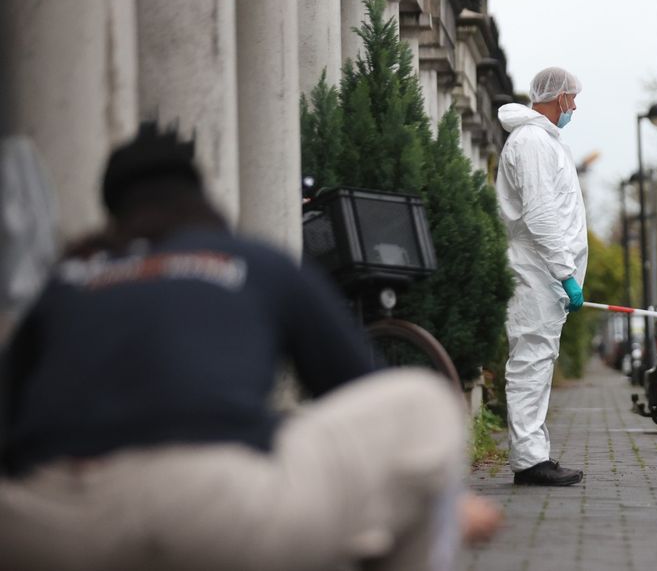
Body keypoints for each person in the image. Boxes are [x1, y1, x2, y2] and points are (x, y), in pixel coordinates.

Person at [0, 123, 496, 571]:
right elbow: (354, 389)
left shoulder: (65, 281)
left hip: (54, 523)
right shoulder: (254, 260)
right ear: (202, 201)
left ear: (111, 213)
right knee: (421, 402)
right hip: (216, 510)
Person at [495, 67, 588, 486]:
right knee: (531, 362)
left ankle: (535, 454)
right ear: (559, 97)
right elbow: (541, 213)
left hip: (543, 274)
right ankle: (530, 461)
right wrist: (566, 273)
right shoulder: (532, 141)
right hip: (536, 271)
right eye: (572, 98)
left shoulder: (544, 141)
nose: (574, 106)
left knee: (537, 362)